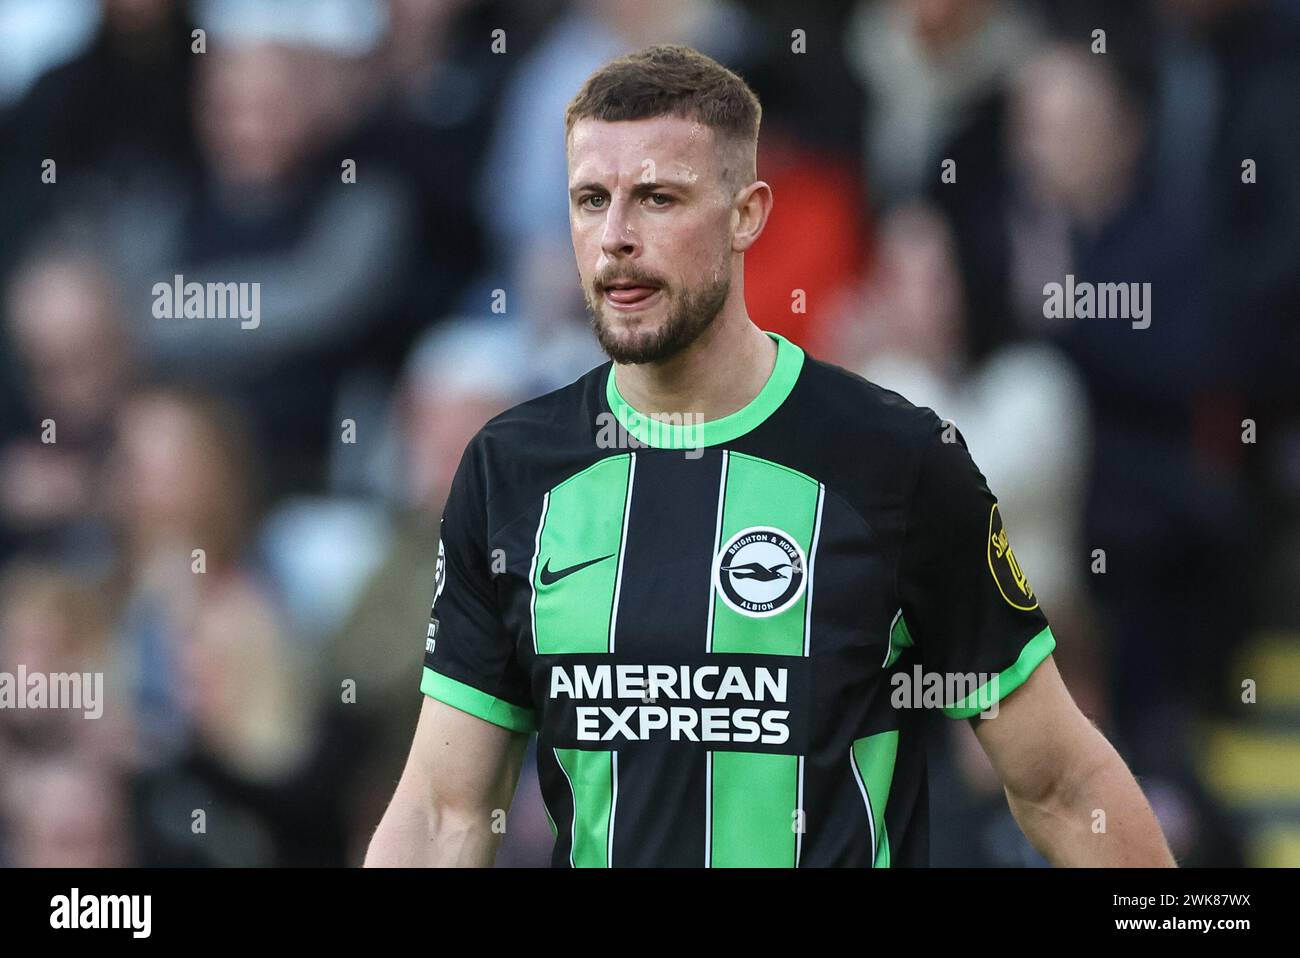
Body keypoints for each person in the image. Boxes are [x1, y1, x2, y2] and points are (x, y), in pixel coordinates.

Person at [366, 44, 1174, 868]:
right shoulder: (511, 471)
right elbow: (442, 811)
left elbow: (1061, 787)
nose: (614, 238)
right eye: (589, 200)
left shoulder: (895, 462)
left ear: (748, 213)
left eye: (656, 198)